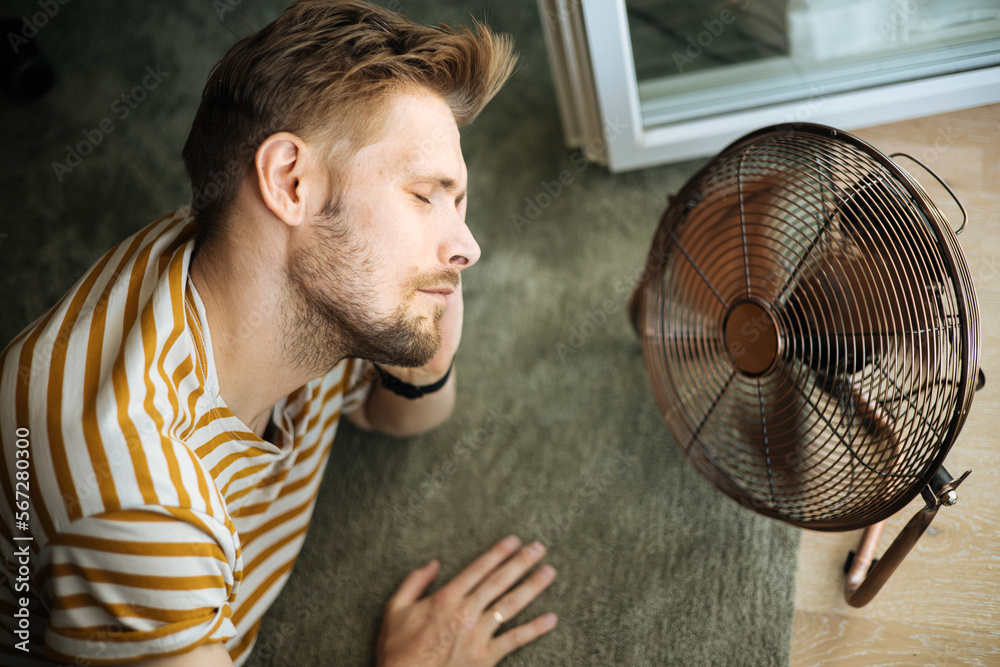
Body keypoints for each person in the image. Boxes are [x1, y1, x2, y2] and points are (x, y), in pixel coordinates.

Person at [0, 1, 558, 665]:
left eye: (458, 201)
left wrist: (423, 350)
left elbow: (403, 418)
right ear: (290, 182)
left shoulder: (268, 271)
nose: (467, 245)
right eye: (424, 195)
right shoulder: (137, 511)